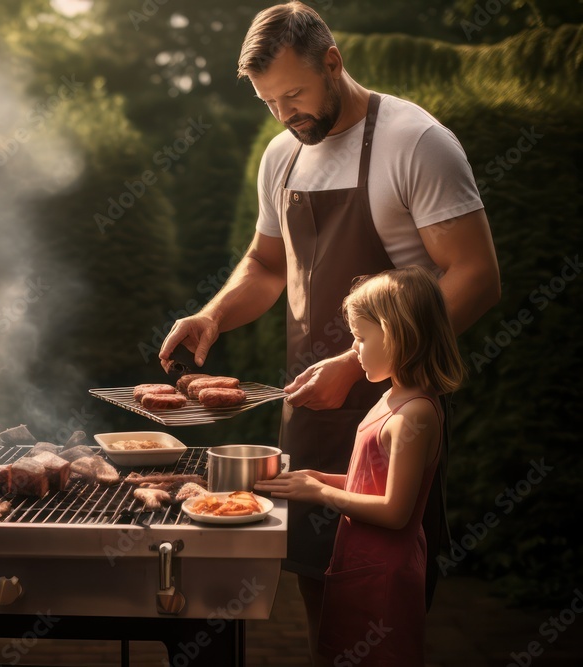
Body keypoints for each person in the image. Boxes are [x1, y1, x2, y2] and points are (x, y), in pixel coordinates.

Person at [157, 0, 500, 660]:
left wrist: (353, 360)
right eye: (268, 101)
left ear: (333, 63)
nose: (284, 114)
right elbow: (264, 264)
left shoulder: (416, 141)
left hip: (395, 414)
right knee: (328, 613)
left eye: (294, 93)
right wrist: (213, 315)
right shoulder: (282, 157)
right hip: (312, 413)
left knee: (386, 603)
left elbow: (478, 276)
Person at [255, 265, 464, 665]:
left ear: (399, 335)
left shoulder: (413, 415)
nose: (354, 350)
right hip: (359, 562)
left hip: (384, 575)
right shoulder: (391, 396)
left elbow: (395, 512)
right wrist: (317, 477)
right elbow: (372, 482)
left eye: (361, 338)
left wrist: (320, 493)